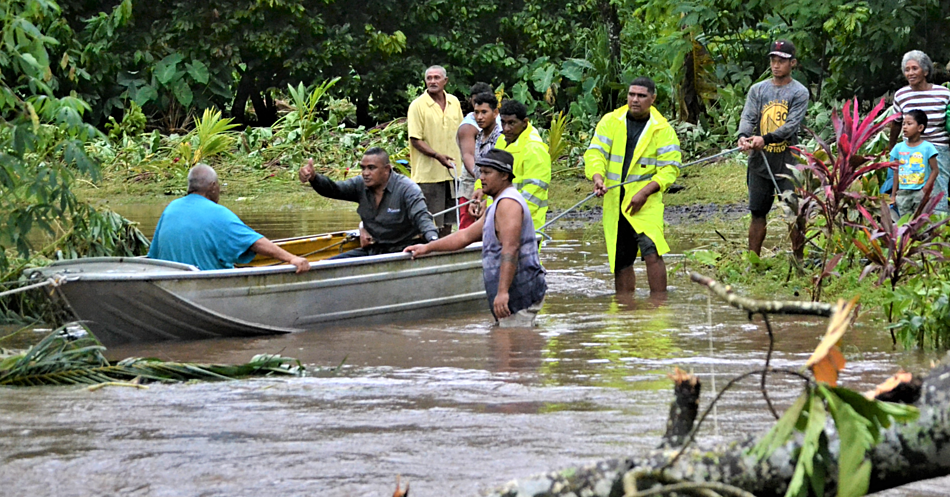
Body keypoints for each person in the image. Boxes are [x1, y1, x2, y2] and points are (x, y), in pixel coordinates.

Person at [404, 148, 546, 327]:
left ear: (504, 175)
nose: (481, 178)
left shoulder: (508, 204)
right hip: (513, 290)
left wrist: (502, 292)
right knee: (508, 344)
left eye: (487, 173)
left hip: (520, 290)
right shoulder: (496, 204)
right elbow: (465, 236)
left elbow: (511, 248)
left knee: (511, 348)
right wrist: (427, 247)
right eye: (481, 172)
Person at [584, 77, 681, 295]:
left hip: (645, 203)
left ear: (653, 99)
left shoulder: (662, 129)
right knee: (621, 259)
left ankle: (659, 305)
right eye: (631, 95)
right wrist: (597, 177)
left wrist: (645, 192)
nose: (635, 100)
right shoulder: (610, 121)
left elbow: (670, 169)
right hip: (615, 200)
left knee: (652, 251)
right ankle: (624, 310)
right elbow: (595, 153)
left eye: (641, 96)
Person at [148, 164, 309, 272]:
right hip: (204, 285)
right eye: (218, 186)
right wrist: (292, 258)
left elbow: (153, 257)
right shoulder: (218, 213)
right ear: (212, 187)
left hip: (171, 283)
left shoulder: (170, 209)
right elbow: (255, 242)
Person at [737, 39, 809, 256]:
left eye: (782, 61)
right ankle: (753, 260)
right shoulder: (758, 90)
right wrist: (743, 137)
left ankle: (798, 260)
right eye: (773, 61)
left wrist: (764, 139)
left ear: (793, 63)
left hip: (787, 163)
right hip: (759, 162)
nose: (776, 65)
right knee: (757, 212)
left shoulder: (799, 92)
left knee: (792, 212)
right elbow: (748, 116)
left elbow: (790, 126)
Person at [298, 147, 440, 258]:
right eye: (363, 168)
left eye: (371, 168)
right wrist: (314, 178)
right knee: (327, 266)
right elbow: (334, 190)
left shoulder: (407, 189)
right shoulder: (360, 185)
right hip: (374, 251)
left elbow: (423, 219)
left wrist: (434, 244)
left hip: (404, 251)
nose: (365, 173)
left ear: (386, 170)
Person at [888, 50, 950, 214]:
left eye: (914, 68)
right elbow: (896, 123)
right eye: (907, 70)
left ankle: (939, 228)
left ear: (926, 71)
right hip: (910, 149)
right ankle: (911, 231)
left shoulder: (943, 94)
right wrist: (891, 149)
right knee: (909, 190)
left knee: (939, 188)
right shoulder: (901, 95)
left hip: (938, 148)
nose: (910, 73)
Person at [407, 65, 464, 237]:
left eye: (436, 77)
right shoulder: (417, 105)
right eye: (429, 78)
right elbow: (415, 139)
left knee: (449, 221)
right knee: (428, 222)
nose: (432, 81)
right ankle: (426, 253)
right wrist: (437, 155)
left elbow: (462, 132)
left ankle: (444, 252)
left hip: (453, 173)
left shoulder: (454, 102)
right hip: (428, 176)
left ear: (445, 81)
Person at [495, 99, 551, 232]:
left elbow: (535, 190)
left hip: (525, 223)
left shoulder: (534, 148)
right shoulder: (501, 141)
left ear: (524, 123)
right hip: (499, 218)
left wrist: (512, 214)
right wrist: (480, 191)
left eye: (512, 123)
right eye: (503, 122)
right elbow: (490, 173)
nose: (506, 128)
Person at [457, 83, 499, 228]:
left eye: (484, 112)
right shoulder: (469, 126)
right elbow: (468, 157)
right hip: (473, 183)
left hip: (494, 184)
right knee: (468, 227)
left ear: (495, 112)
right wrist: (481, 183)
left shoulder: (502, 129)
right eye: (477, 111)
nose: (479, 117)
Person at [891, 110, 938, 216]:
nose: (904, 127)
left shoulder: (928, 148)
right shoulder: (898, 148)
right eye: (903, 124)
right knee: (905, 224)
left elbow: (935, 170)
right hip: (903, 194)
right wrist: (893, 195)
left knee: (921, 223)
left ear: (920, 128)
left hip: (920, 192)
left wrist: (925, 189)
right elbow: (896, 172)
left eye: (909, 124)